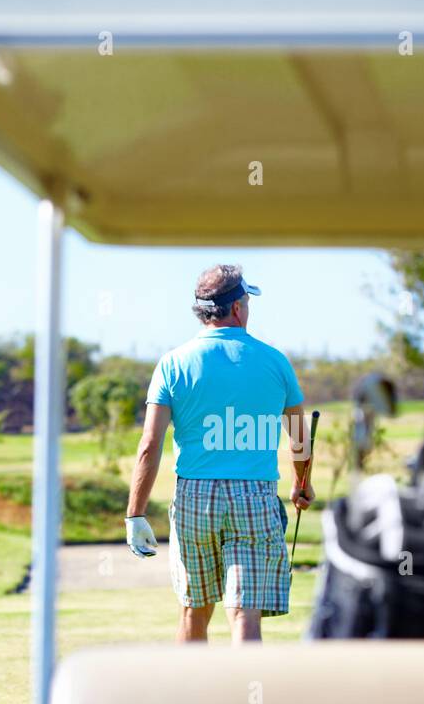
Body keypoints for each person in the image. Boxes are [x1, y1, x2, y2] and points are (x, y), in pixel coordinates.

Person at [124, 264, 313, 644]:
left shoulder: (173, 363)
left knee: (194, 610)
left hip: (194, 497)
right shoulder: (275, 361)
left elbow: (150, 446)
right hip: (254, 496)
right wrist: (301, 485)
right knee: (245, 614)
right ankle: (247, 700)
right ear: (239, 308)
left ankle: (192, 701)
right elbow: (299, 438)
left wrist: (135, 513)